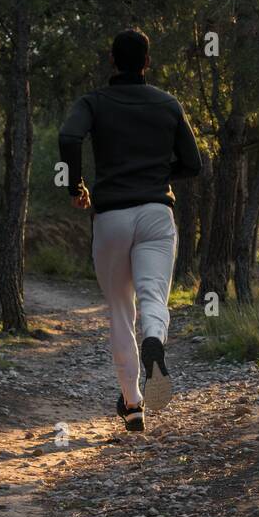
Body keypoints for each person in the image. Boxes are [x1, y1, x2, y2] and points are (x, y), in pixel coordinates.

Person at [58, 28, 202, 431]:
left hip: (112, 216)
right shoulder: (167, 104)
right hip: (157, 212)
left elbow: (68, 136)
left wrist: (76, 185)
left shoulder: (94, 102)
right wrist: (156, 174)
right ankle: (154, 339)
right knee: (154, 298)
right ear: (147, 62)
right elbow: (193, 165)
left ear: (111, 60)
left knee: (121, 312)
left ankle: (133, 403)